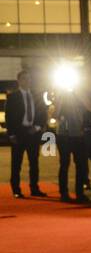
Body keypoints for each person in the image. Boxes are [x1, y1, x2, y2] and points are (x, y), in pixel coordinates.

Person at [7, 69, 48, 198]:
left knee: (34, 163)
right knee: (16, 163)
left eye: (29, 78)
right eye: (24, 78)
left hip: (33, 133)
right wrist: (11, 134)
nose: (27, 81)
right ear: (18, 80)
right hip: (19, 133)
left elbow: (42, 114)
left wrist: (37, 127)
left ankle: (34, 188)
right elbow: (9, 116)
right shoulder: (13, 97)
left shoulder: (37, 95)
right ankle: (16, 189)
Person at [54, 82, 91, 202]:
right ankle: (63, 193)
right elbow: (55, 114)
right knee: (65, 164)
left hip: (78, 134)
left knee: (80, 164)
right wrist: (61, 97)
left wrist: (79, 94)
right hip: (64, 135)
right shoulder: (60, 97)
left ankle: (80, 192)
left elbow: (90, 107)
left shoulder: (80, 95)